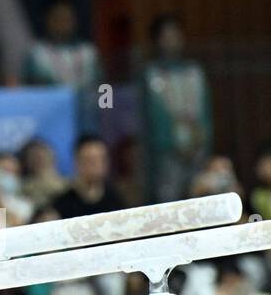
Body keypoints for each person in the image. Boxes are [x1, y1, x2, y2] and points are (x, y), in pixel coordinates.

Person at [140, 13, 213, 203]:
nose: (172, 41)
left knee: (200, 199)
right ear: (157, 41)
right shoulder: (150, 74)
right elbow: (149, 118)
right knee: (169, 201)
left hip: (197, 148)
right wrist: (168, 144)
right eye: (166, 36)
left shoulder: (195, 72)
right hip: (166, 152)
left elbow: (205, 113)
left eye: (176, 35)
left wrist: (202, 140)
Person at [22, 0, 104, 133]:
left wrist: (107, 110)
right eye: (58, 18)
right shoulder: (37, 54)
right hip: (52, 119)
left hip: (89, 116)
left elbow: (104, 85)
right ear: (47, 20)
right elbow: (30, 92)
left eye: (68, 18)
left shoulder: (89, 51)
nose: (63, 23)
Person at [51, 134, 127, 219]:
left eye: (100, 159)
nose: (96, 165)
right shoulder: (61, 205)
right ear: (76, 162)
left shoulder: (117, 199)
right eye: (90, 160)